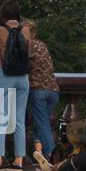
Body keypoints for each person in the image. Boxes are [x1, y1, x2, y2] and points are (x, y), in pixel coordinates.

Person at [0, 0, 33, 171]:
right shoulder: (26, 31)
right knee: (20, 119)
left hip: (5, 75)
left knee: (2, 117)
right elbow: (28, 55)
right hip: (23, 78)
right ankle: (19, 159)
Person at [26, 20, 59, 158]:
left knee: (43, 125)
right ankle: (40, 155)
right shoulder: (42, 45)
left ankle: (53, 156)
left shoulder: (28, 46)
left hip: (38, 90)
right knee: (40, 124)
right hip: (53, 90)